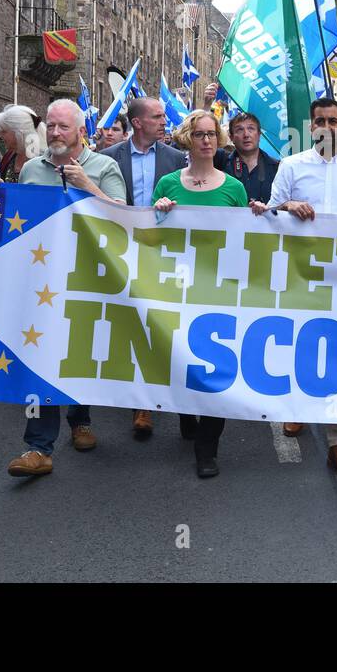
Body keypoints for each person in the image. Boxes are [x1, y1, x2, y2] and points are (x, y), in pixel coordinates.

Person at [0, 100, 127, 478]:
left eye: (64, 127)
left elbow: (122, 216)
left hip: (87, 278)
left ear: (81, 130)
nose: (56, 133)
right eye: (51, 126)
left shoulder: (104, 166)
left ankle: (80, 419)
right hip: (39, 279)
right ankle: (38, 447)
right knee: (39, 354)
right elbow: (15, 217)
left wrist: (86, 185)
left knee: (77, 350)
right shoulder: (31, 168)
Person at [258, 97, 337, 480]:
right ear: (311, 126)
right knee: (300, 342)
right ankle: (297, 409)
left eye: (334, 121)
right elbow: (269, 213)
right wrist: (289, 206)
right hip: (301, 273)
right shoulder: (292, 165)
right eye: (320, 121)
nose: (327, 127)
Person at [152, 110, 249, 478]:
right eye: (199, 135)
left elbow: (249, 240)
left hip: (220, 289)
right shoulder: (168, 184)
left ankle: (207, 449)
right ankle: (186, 412)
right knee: (181, 356)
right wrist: (159, 212)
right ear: (187, 140)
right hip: (177, 286)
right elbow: (151, 234)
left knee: (217, 363)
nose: (207, 141)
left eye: (211, 134)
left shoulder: (233, 188)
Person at [99, 96, 186, 440]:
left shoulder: (177, 159)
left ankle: (167, 397)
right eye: (158, 116)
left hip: (166, 252)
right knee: (131, 321)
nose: (165, 121)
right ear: (137, 123)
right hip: (123, 250)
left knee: (162, 321)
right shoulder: (109, 159)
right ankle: (140, 402)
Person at [213, 111, 279, 204]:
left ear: (259, 134)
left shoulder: (277, 167)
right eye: (239, 130)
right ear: (231, 137)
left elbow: (283, 202)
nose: (246, 135)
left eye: (251, 129)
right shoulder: (220, 161)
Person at [0, 105, 45, 183]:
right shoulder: (8, 157)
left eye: (4, 131)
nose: (0, 136)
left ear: (19, 132)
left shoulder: (45, 161)